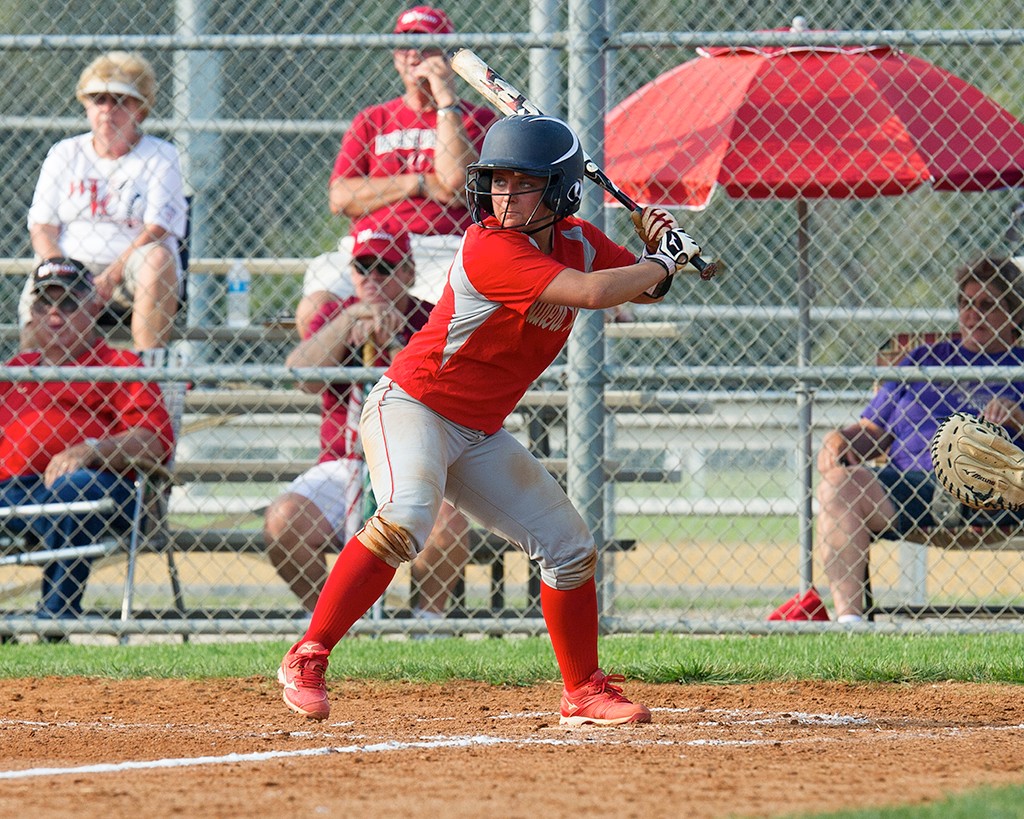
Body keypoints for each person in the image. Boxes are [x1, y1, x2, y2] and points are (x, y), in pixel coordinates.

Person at [277, 113, 703, 725]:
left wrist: (657, 249)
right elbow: (594, 294)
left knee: (568, 547)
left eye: (522, 183)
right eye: (496, 180)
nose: (502, 195)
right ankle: (308, 654)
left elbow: (640, 288)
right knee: (405, 518)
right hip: (414, 407)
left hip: (477, 431)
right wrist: (665, 262)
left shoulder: (578, 240)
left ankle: (582, 690)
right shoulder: (490, 246)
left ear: (558, 192)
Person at [773, 255, 1024, 623]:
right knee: (840, 486)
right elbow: (872, 433)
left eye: (987, 305)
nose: (973, 315)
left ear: (1015, 313)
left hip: (1000, 491)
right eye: (966, 304)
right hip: (914, 487)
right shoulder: (922, 359)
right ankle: (851, 626)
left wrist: (1017, 418)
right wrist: (838, 440)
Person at [265, 225, 471, 620]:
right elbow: (302, 375)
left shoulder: (429, 316)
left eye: (385, 268)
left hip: (414, 460)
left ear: (408, 272)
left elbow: (446, 391)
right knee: (283, 520)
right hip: (342, 461)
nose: (373, 279)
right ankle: (333, 621)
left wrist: (396, 344)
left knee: (449, 526)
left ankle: (427, 626)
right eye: (363, 268)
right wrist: (349, 322)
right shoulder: (334, 313)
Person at [296, 4, 498, 337]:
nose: (414, 54)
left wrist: (446, 101)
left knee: (454, 307)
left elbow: (455, 182)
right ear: (394, 56)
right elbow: (340, 197)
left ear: (448, 57)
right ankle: (346, 390)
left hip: (443, 248)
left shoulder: (478, 121)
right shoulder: (372, 120)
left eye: (426, 46)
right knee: (314, 307)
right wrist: (417, 183)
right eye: (405, 45)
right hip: (371, 249)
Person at [1, 258, 174, 622]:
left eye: (67, 304)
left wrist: (91, 450)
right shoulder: (15, 371)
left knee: (72, 488)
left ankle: (55, 617)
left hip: (101, 493)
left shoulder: (119, 364)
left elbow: (152, 441)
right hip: (16, 492)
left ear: (93, 306)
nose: (54, 316)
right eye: (44, 305)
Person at [23, 50, 189, 352]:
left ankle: (146, 378)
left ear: (140, 109)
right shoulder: (65, 153)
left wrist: (109, 276)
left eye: (121, 101)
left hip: (129, 270)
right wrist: (64, 273)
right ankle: (38, 391)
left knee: (158, 259)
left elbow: (158, 228)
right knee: (43, 278)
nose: (108, 110)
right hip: (70, 262)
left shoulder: (160, 155)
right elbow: (42, 227)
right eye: (99, 100)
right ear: (87, 106)